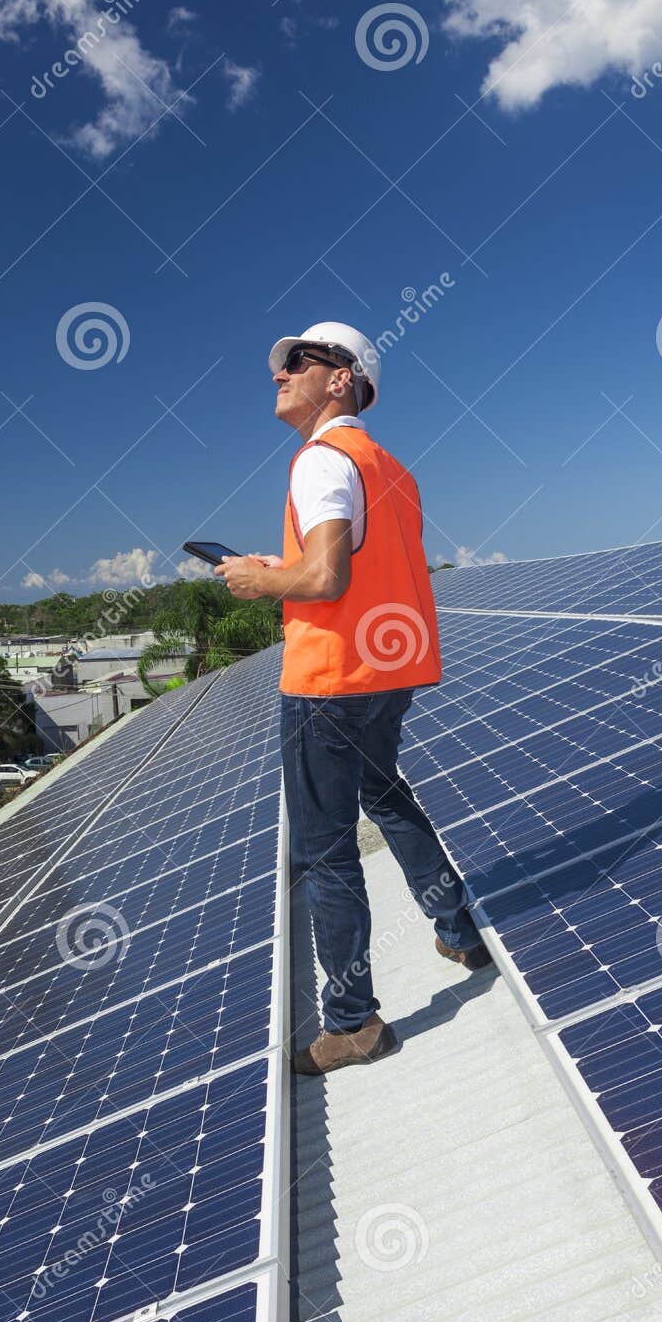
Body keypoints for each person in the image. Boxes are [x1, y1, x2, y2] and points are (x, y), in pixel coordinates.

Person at [218, 321, 492, 1076]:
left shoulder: (318, 460)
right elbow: (355, 562)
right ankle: (458, 930)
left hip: (330, 681)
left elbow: (325, 578)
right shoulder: (387, 467)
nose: (279, 373)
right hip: (389, 671)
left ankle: (352, 1024)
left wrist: (258, 580)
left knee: (325, 851)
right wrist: (280, 566)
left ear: (340, 379)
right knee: (387, 796)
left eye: (297, 361)